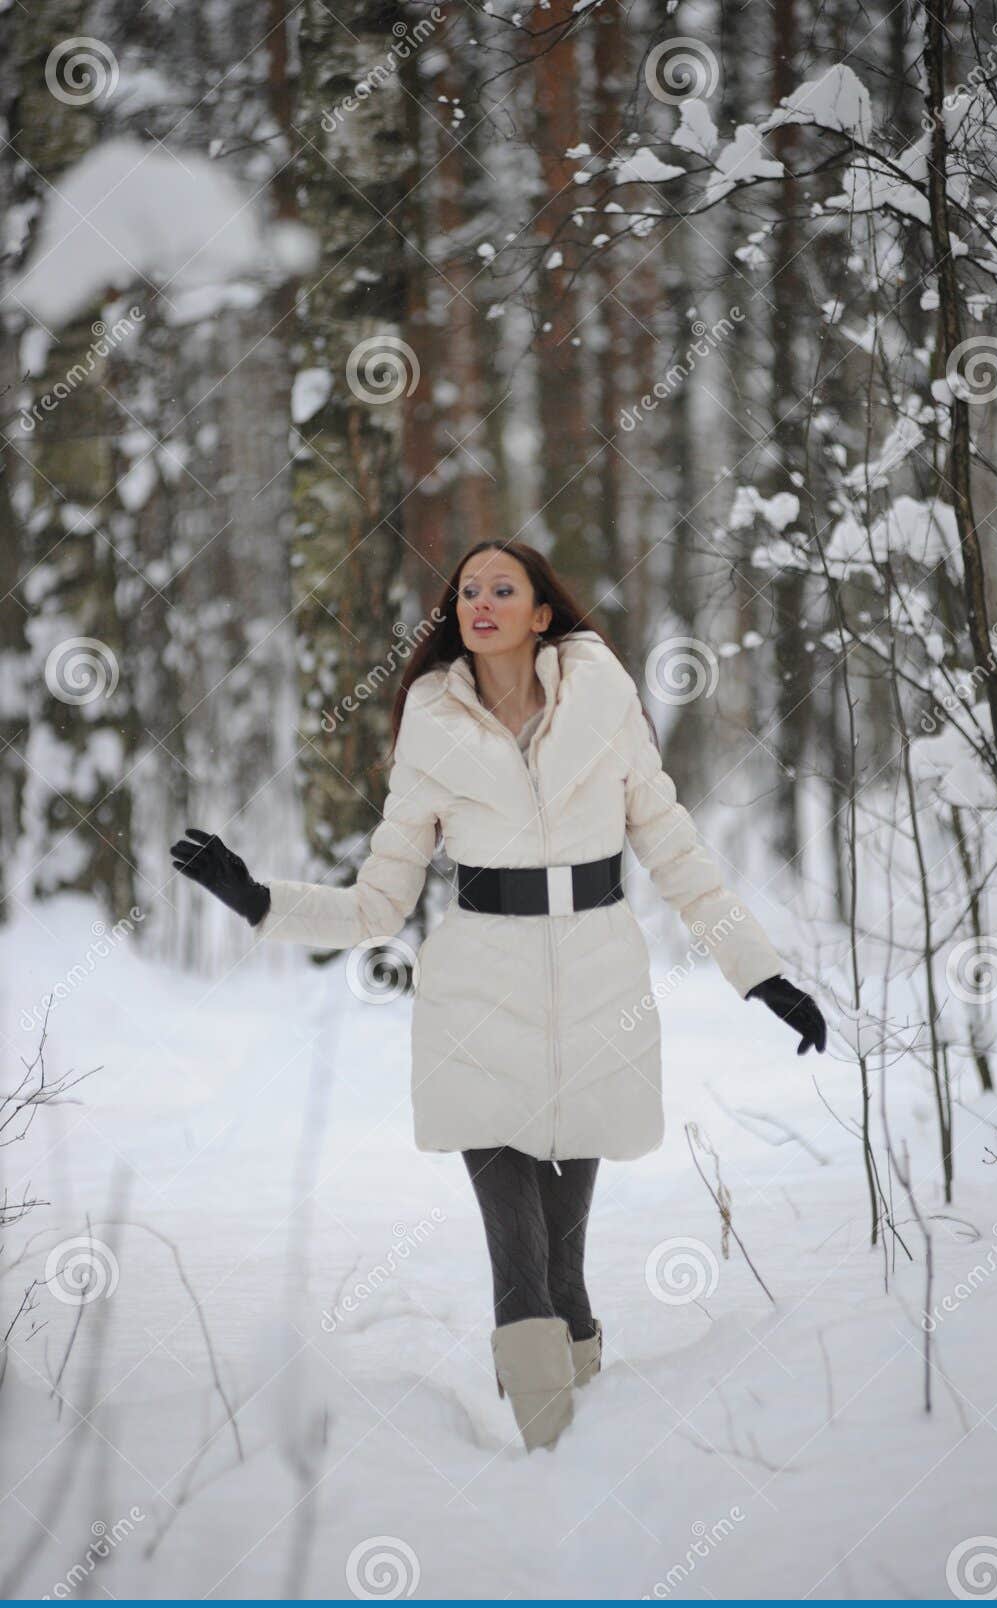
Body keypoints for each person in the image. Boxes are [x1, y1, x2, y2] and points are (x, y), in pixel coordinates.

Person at [171, 539, 826, 1455]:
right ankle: (550, 1456)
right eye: (467, 590)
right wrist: (258, 900)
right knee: (518, 1263)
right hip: (476, 1004)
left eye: (501, 588)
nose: (479, 601)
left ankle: (589, 1459)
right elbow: (378, 903)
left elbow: (674, 851)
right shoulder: (431, 728)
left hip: (600, 996)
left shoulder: (604, 701)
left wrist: (763, 975)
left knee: (564, 1267)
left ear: (541, 613)